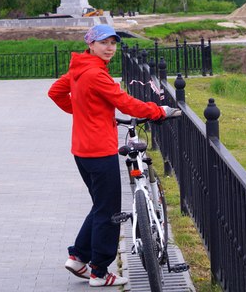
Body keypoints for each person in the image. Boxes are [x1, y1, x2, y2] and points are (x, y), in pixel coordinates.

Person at [48, 24, 177, 287]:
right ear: (91, 45)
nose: (109, 48)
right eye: (103, 43)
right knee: (108, 212)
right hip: (99, 151)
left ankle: (78, 257)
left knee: (100, 205)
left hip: (82, 151)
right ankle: (99, 271)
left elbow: (56, 92)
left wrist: (84, 111)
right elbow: (125, 103)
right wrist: (158, 111)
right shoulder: (96, 74)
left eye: (113, 43)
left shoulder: (79, 68)